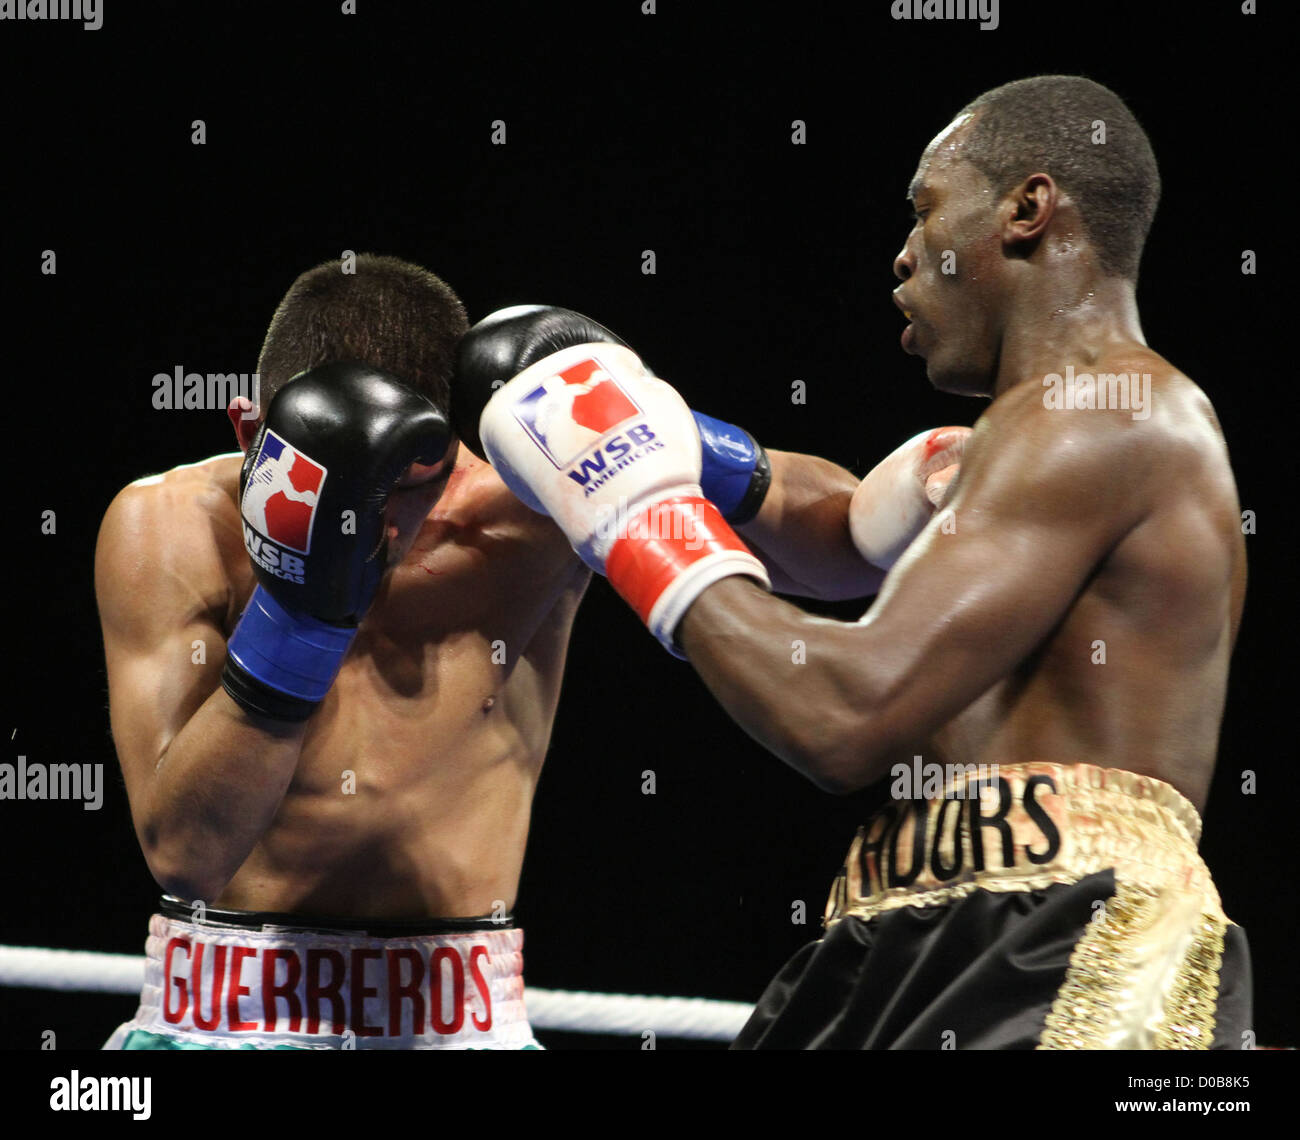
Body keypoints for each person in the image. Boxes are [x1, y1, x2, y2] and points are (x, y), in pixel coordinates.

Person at [451, 75, 1252, 1049]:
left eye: (925, 209)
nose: (904, 254)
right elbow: (839, 531)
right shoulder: (1012, 449)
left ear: (1028, 210)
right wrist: (665, 436)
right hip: (903, 931)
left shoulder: (1112, 416)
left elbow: (842, 714)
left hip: (1072, 938)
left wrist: (631, 508)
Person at [96, 255, 960, 1048]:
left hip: (462, 1020)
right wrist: (303, 604)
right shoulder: (168, 528)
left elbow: (842, 551)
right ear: (248, 430)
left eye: (407, 482)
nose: (377, 525)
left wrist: (922, 489)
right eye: (339, 485)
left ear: (451, 442)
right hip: (219, 1016)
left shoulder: (526, 501)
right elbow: (187, 856)